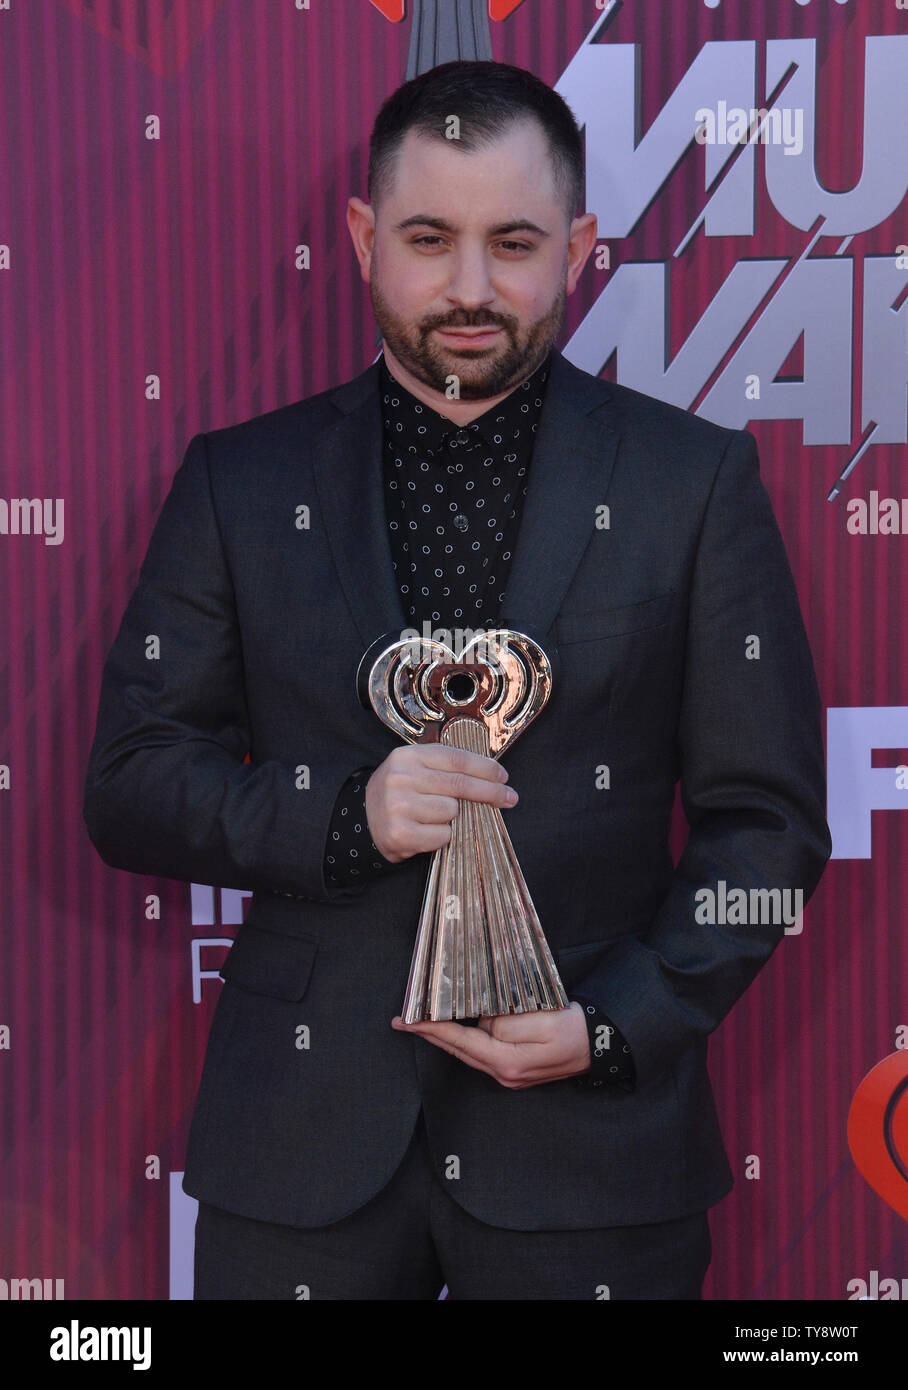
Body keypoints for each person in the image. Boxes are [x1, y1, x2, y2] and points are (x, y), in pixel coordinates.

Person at [82, 60, 831, 1300]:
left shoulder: (689, 487)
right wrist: (342, 815)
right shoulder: (242, 484)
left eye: (515, 241)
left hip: (594, 1165)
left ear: (579, 247)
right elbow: (131, 782)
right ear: (366, 241)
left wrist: (610, 1028)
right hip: (297, 1152)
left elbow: (768, 830)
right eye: (429, 238)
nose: (471, 289)